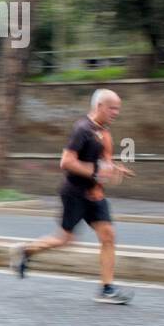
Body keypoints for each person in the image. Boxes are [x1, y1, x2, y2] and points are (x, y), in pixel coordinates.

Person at [11, 89, 136, 304]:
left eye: (118, 109)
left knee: (108, 236)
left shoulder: (103, 132)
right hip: (75, 193)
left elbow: (100, 163)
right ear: (99, 107)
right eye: (112, 108)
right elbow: (66, 162)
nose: (116, 113)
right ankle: (25, 251)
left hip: (95, 195)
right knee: (65, 239)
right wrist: (96, 171)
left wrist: (114, 168)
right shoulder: (82, 129)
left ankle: (107, 289)